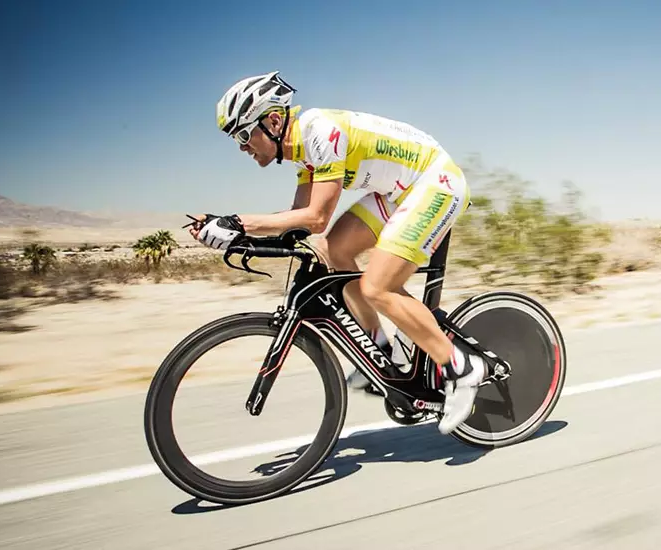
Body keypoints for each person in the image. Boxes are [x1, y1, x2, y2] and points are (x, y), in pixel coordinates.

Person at [188, 71, 486, 434]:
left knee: (378, 287)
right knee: (332, 251)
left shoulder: (320, 132)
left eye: (243, 134)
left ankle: (463, 368)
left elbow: (316, 216)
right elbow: (296, 224)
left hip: (434, 183)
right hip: (398, 191)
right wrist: (235, 232)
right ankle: (383, 353)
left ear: (274, 121)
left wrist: (238, 222)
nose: (241, 146)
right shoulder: (301, 153)